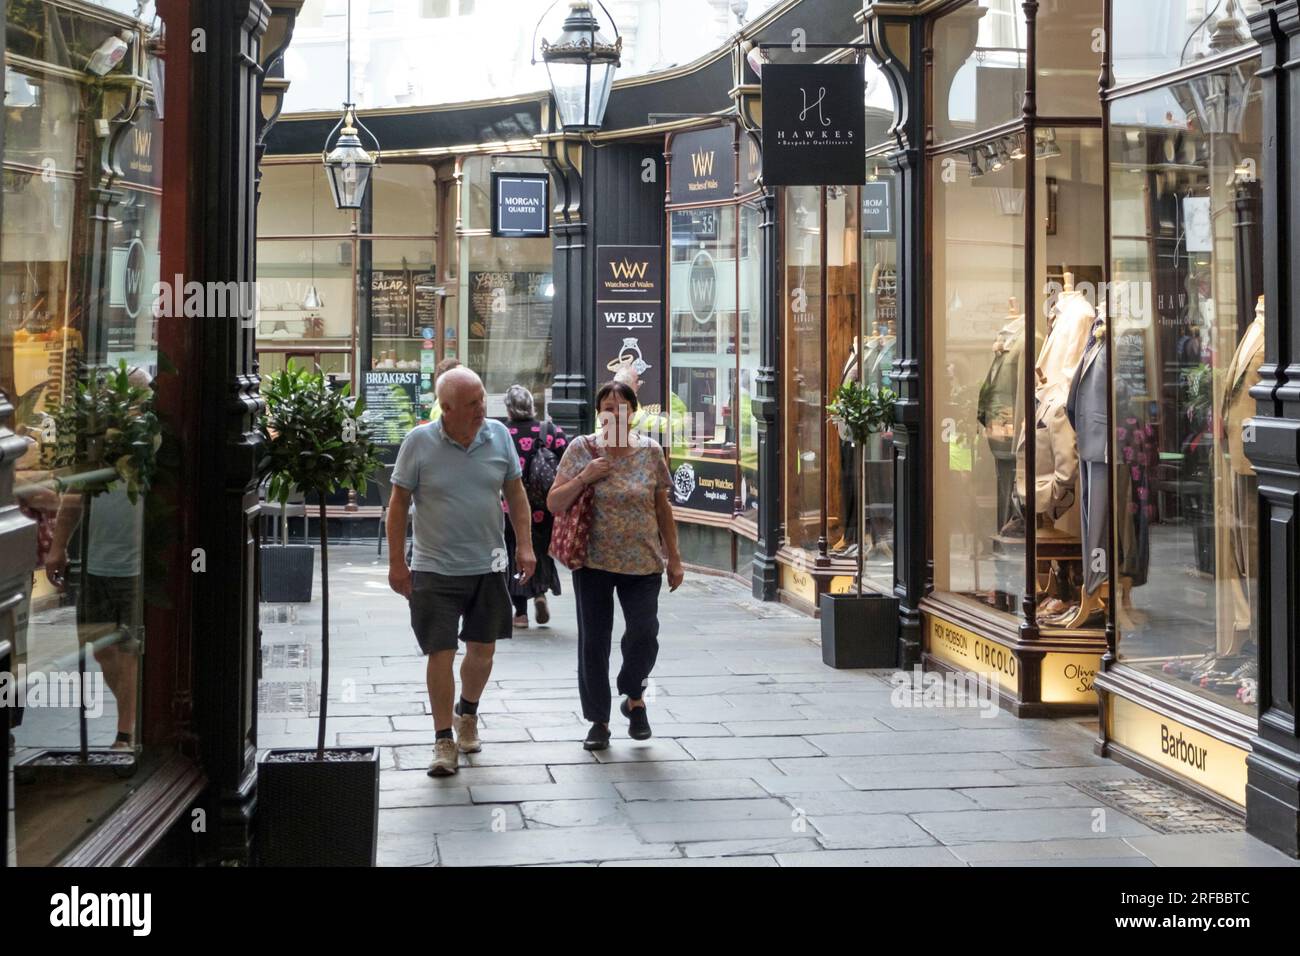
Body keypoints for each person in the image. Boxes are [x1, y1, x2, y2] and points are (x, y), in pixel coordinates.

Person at [387, 366, 536, 776]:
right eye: (471, 404)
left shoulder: (499, 436)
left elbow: (516, 493)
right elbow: (398, 504)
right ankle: (443, 740)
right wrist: (397, 563)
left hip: (488, 565)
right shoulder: (419, 443)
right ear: (445, 408)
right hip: (434, 567)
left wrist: (525, 545)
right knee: (441, 651)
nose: (481, 408)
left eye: (482, 399)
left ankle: (467, 712)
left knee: (482, 651)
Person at [547, 380, 684, 751]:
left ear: (633, 412)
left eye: (621, 406)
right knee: (594, 642)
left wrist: (674, 557)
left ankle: (632, 692)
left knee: (644, 633)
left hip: (642, 561)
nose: (613, 413)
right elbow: (555, 503)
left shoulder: (651, 452)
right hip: (593, 561)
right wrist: (584, 476)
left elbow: (662, 507)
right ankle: (598, 721)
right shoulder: (581, 449)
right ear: (598, 413)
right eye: (607, 407)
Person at [45, 366, 153, 753]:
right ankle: (132, 713)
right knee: (99, 648)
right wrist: (59, 547)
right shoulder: (98, 448)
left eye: (135, 399)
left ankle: (125, 733)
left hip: (134, 566)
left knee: (127, 648)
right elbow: (73, 500)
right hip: (94, 562)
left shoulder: (150, 449)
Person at [502, 384, 567, 628]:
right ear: (532, 406)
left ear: (509, 408)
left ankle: (520, 613)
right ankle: (540, 593)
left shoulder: (501, 433)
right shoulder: (550, 431)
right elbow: (569, 462)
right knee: (540, 549)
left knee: (515, 551)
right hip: (544, 507)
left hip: (509, 508)